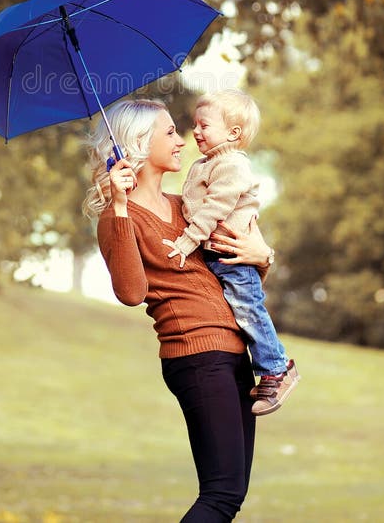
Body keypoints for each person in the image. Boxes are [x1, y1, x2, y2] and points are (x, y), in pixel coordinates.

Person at [84, 98, 274, 522]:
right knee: (221, 495)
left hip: (234, 352)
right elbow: (131, 292)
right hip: (196, 355)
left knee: (231, 495)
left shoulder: (188, 207)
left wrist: (263, 257)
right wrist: (119, 205)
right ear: (139, 142)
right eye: (170, 131)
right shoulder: (119, 217)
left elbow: (236, 276)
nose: (182, 140)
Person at [162, 89, 299, 416]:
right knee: (241, 309)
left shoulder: (232, 165)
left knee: (247, 308)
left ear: (233, 133)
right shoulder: (206, 164)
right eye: (195, 124)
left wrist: (187, 241)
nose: (196, 131)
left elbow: (215, 208)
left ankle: (277, 368)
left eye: (204, 125)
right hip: (218, 255)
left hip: (231, 257)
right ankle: (270, 367)